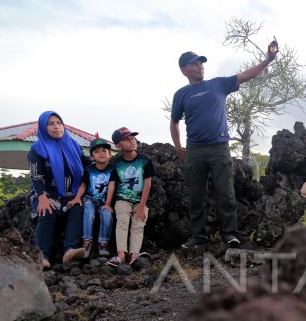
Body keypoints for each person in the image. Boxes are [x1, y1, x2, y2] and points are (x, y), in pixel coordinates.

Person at [169, 39, 279, 249]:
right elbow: (174, 122)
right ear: (184, 69)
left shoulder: (217, 84)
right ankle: (197, 237)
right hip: (194, 150)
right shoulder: (181, 94)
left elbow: (247, 75)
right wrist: (178, 147)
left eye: (201, 62)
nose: (200, 65)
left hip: (219, 148)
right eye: (195, 63)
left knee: (226, 193)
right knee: (195, 195)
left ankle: (230, 233)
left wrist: (268, 59)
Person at [27, 111, 90, 269]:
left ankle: (70, 250)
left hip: (71, 193)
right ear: (43, 127)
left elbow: (87, 164)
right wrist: (42, 197)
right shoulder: (37, 149)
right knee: (46, 211)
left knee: (77, 208)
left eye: (59, 123)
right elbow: (37, 176)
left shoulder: (73, 145)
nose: (56, 127)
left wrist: (103, 163)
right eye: (51, 124)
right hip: (46, 193)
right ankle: (43, 256)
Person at [105, 127, 154, 266]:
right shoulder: (116, 163)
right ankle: (121, 254)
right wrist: (108, 204)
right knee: (122, 222)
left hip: (141, 200)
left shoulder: (145, 160)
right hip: (122, 199)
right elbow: (112, 184)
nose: (131, 141)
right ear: (118, 146)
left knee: (139, 224)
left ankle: (134, 254)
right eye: (126, 139)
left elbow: (148, 184)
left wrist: (142, 206)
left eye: (132, 137)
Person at [69, 136, 114, 257]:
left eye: (104, 151)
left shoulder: (112, 169)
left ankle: (103, 242)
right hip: (90, 198)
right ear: (92, 157)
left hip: (105, 200)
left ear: (110, 154)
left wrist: (108, 204)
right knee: (88, 211)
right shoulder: (89, 169)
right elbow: (83, 185)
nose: (101, 154)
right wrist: (77, 197)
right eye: (97, 152)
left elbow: (111, 186)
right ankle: (87, 241)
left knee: (106, 214)